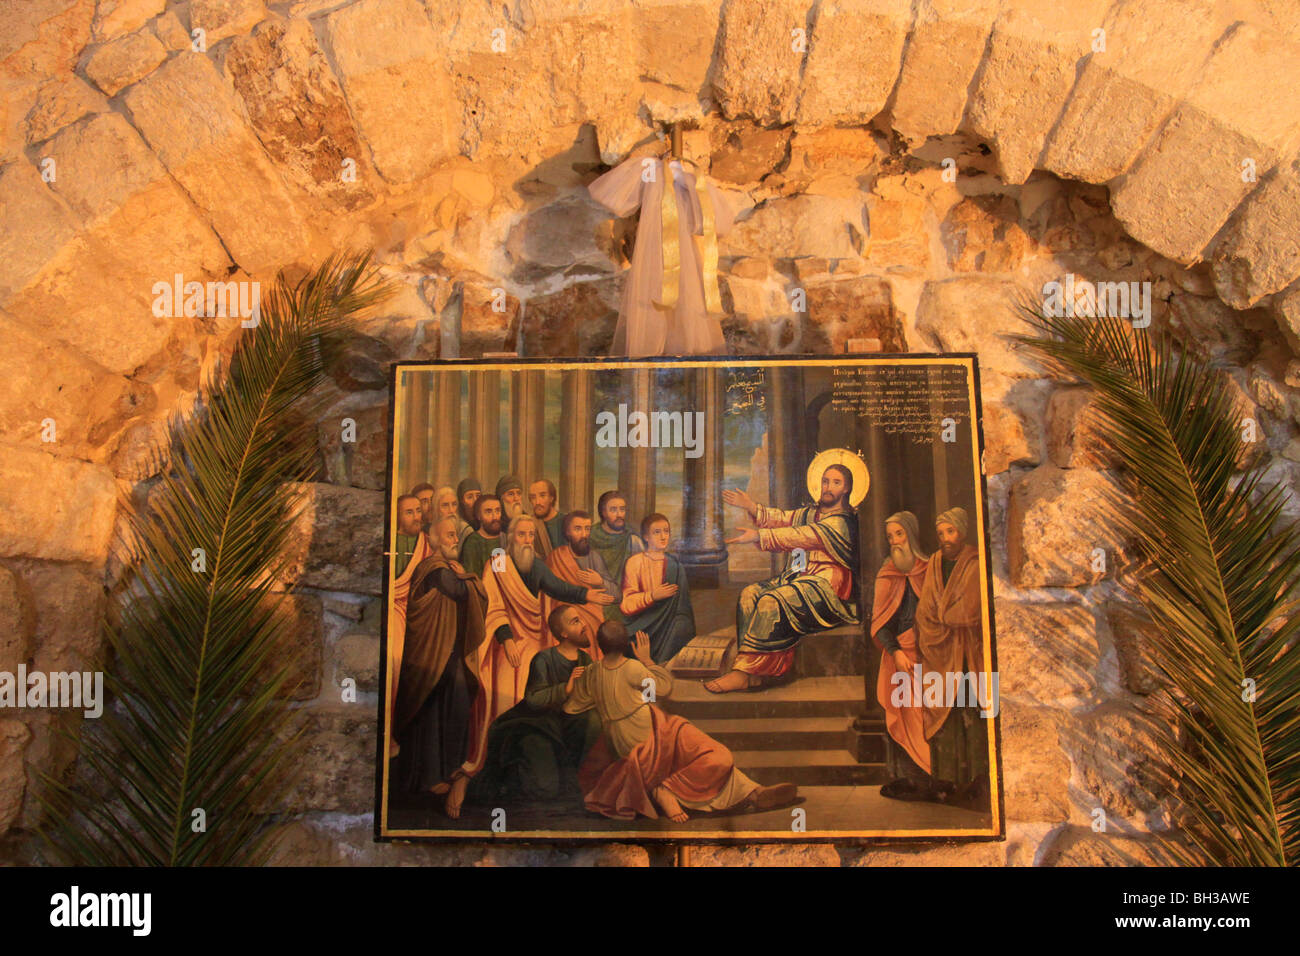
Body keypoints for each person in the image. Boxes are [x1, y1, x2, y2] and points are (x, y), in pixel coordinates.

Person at [445, 515, 615, 817]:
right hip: (503, 641)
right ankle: (484, 759)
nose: (526, 540)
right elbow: (492, 604)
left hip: (536, 638)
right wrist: (507, 639)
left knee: (542, 677)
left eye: (531, 536)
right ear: (510, 538)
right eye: (521, 535)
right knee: (509, 677)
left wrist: (587, 594)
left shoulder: (536, 565)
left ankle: (544, 754)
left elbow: (558, 588)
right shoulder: (498, 562)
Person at [565, 622, 797, 822]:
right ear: (626, 643)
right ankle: (666, 791)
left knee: (705, 755)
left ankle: (753, 793)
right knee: (716, 755)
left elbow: (572, 706)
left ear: (600, 644)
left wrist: (577, 687)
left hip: (626, 739)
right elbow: (663, 688)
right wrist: (648, 660)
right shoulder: (633, 668)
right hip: (653, 735)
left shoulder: (592, 673)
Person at [710, 463, 860, 692]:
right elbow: (782, 519)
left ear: (847, 489)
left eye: (836, 482)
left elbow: (800, 536)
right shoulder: (809, 513)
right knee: (749, 595)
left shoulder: (842, 521)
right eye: (825, 481)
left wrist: (758, 536)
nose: (828, 487)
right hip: (799, 577)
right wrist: (750, 506)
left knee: (772, 601)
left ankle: (742, 673)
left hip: (827, 585)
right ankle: (756, 673)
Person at [466, 605, 603, 804]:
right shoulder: (544, 659)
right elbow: (533, 699)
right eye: (576, 621)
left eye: (581, 620)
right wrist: (566, 688)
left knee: (594, 721)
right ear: (563, 633)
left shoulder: (585, 659)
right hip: (534, 728)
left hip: (562, 730)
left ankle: (566, 774)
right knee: (544, 790)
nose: (584, 625)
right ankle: (476, 782)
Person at [393, 516, 489, 794]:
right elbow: (458, 590)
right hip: (431, 657)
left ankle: (450, 769)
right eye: (448, 536)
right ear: (434, 540)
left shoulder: (447, 569)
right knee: (431, 716)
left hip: (450, 654)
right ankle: (429, 778)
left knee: (458, 709)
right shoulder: (434, 569)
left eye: (456, 536)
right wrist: (468, 577)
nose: (455, 540)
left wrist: (463, 577)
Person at [915, 507, 989, 808]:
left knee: (971, 713)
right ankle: (948, 779)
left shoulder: (974, 563)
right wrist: (942, 619)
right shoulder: (934, 562)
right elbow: (925, 610)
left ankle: (977, 781)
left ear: (962, 532)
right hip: (942, 654)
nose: (945, 539)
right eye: (941, 533)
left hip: (970, 655)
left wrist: (943, 616)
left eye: (951, 532)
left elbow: (971, 611)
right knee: (946, 718)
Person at [869, 512, 934, 801]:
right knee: (901, 715)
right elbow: (880, 621)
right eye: (890, 536)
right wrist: (894, 651)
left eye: (899, 534)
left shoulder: (930, 569)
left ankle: (934, 779)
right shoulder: (887, 573)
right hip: (899, 655)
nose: (895, 541)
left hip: (931, 654)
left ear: (911, 534)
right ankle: (909, 779)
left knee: (929, 715)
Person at [388, 494, 433, 756]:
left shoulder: (427, 544)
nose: (417, 516)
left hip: (419, 614)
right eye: (409, 512)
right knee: (395, 669)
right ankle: (391, 734)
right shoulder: (391, 541)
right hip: (396, 610)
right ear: (397, 516)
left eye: (418, 510)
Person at [545, 510, 622, 658]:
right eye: (578, 529)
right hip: (563, 622)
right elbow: (549, 593)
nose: (584, 534)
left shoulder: (595, 558)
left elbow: (617, 596)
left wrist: (601, 582)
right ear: (567, 532)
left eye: (587, 529)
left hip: (593, 621)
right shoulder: (556, 557)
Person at [619, 513, 695, 664]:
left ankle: (660, 665)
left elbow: (683, 610)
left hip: (669, 627)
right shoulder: (635, 562)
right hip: (641, 624)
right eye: (657, 532)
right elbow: (626, 605)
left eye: (666, 531)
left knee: (682, 625)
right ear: (646, 537)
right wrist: (652, 596)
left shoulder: (676, 566)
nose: (663, 536)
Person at [589, 489, 644, 584]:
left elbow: (641, 574)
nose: (619, 515)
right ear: (603, 512)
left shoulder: (632, 540)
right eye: (613, 510)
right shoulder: (589, 535)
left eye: (622, 509)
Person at [459, 494, 504, 578]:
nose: (495, 517)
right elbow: (473, 579)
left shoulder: (505, 539)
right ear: (479, 516)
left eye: (497, 511)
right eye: (488, 512)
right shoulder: (472, 542)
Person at [528, 478, 563, 553]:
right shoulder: (528, 524)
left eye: (542, 496)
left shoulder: (566, 522)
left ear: (551, 498)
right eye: (533, 497)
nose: (537, 502)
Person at [455, 478, 482, 545]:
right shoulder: (461, 527)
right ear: (462, 500)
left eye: (478, 496)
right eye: (470, 497)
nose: (475, 500)